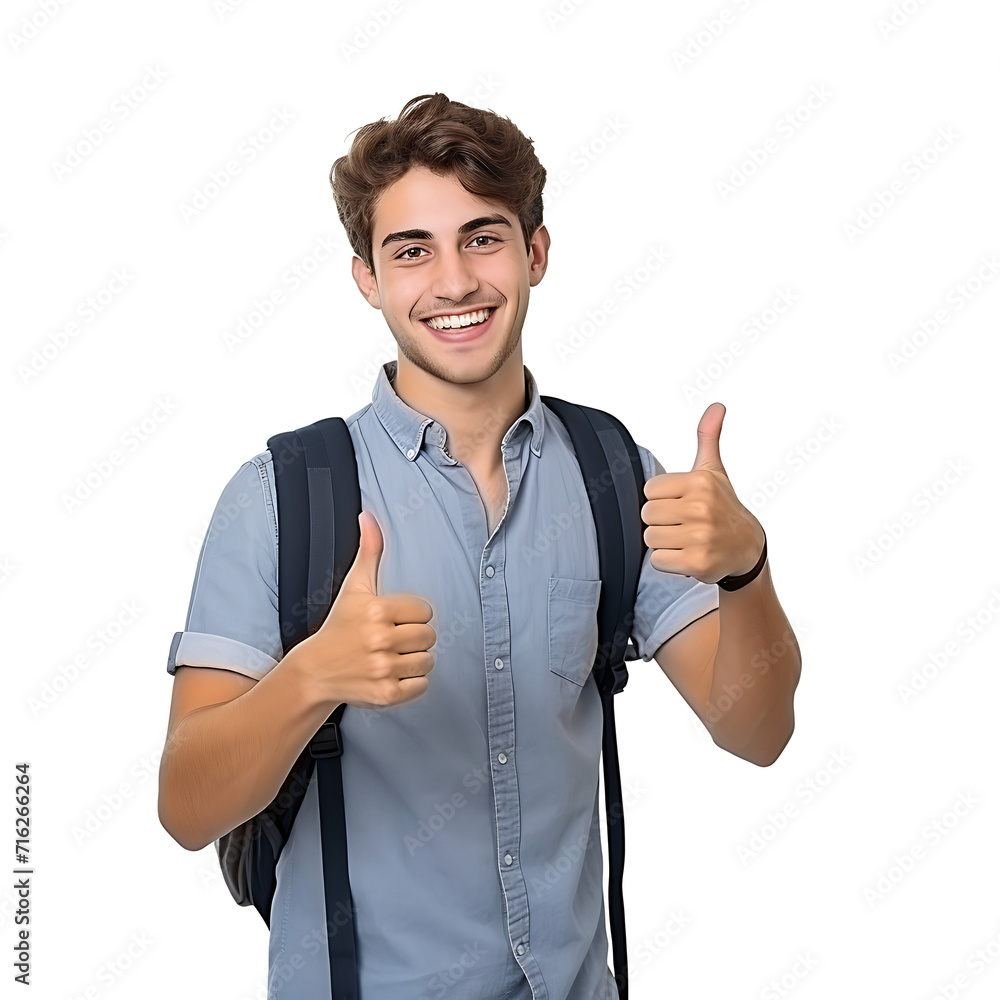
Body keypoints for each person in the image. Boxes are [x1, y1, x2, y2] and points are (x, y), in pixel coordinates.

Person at [157, 93, 801, 1000]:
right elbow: (186, 808)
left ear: (536, 252)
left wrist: (747, 566)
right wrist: (312, 678)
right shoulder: (280, 495)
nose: (454, 281)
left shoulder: (615, 473)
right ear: (367, 279)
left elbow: (759, 730)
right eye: (411, 250)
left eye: (483, 237)